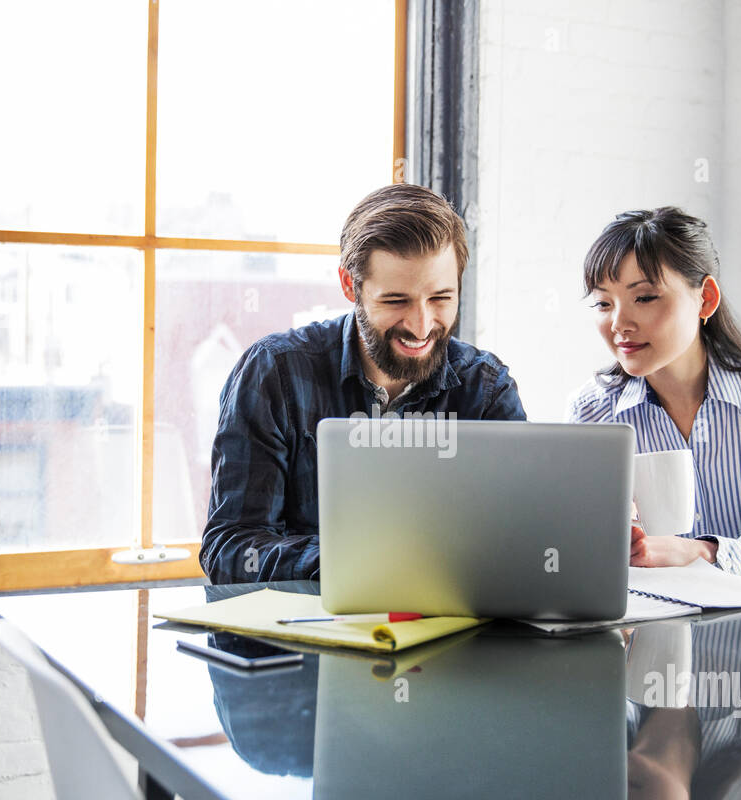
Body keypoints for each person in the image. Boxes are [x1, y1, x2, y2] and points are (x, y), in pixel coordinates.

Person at [201, 183, 526, 584]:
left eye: (440, 298)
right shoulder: (275, 373)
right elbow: (230, 550)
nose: (421, 326)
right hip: (304, 637)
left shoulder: (486, 388)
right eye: (396, 301)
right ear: (349, 285)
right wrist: (361, 562)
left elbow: (521, 538)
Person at [567, 207, 741, 582]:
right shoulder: (592, 412)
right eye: (603, 303)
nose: (619, 324)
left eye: (644, 297)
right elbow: (578, 562)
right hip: (646, 631)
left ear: (706, 299)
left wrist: (702, 551)